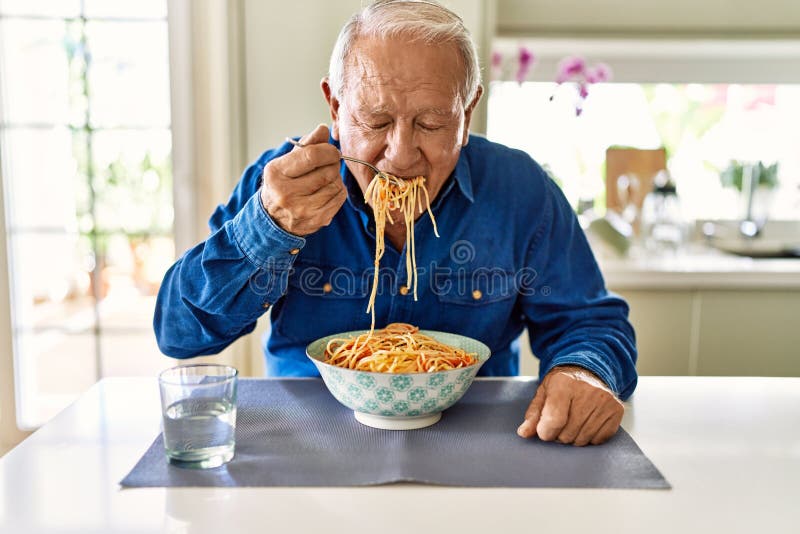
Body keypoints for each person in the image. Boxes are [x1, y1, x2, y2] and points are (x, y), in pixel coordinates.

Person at [154, 0, 637, 447]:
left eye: (431, 124)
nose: (401, 156)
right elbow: (180, 335)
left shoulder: (520, 190)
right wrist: (268, 228)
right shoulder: (282, 183)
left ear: (466, 114)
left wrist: (583, 372)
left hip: (476, 440)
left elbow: (589, 320)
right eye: (376, 121)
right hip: (308, 439)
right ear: (336, 108)